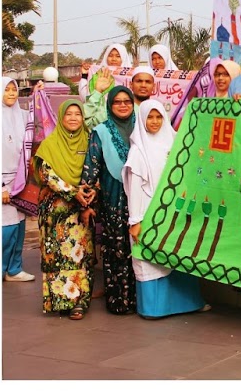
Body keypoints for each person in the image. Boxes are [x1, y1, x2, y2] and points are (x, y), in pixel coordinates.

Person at [123, 98, 205, 317]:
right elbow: (135, 190)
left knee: (179, 253)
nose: (155, 121)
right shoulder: (138, 152)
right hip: (149, 213)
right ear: (141, 119)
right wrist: (136, 221)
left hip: (175, 212)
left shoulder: (174, 142)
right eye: (150, 116)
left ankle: (189, 303)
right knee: (150, 261)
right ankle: (155, 308)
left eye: (159, 116)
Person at [33, 97, 94, 319]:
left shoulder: (89, 141)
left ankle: (78, 303)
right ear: (61, 117)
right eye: (69, 114)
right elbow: (46, 174)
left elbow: (95, 169)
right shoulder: (49, 144)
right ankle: (58, 301)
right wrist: (72, 191)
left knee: (79, 255)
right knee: (55, 254)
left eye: (77, 114)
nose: (73, 118)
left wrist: (89, 192)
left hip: (80, 210)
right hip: (54, 211)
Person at [81, 86, 137, 315]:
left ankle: (144, 299)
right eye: (117, 102)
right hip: (114, 197)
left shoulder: (141, 128)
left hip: (141, 197)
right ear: (110, 106)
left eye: (127, 101)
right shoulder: (101, 131)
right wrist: (87, 199)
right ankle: (119, 302)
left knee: (139, 246)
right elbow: (91, 166)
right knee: (117, 248)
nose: (123, 105)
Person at [0, 77, 35, 284]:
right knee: (7, 228)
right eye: (7, 89)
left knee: (20, 226)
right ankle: (0, 269)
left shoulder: (20, 116)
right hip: (2, 181)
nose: (12, 93)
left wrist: (38, 93)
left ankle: (14, 268)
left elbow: (37, 115)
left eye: (14, 89)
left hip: (20, 179)